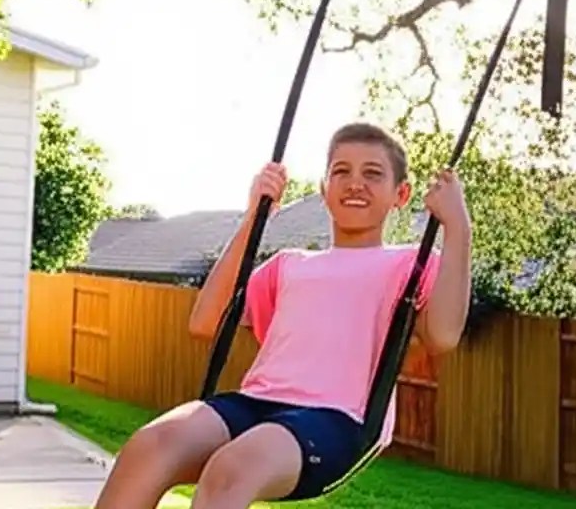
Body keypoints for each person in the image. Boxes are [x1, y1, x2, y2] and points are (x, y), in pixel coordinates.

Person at [93, 122, 473, 509]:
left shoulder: (410, 264)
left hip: (338, 418)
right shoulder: (288, 264)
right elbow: (206, 321)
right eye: (341, 171)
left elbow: (443, 335)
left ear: (401, 194)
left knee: (233, 467)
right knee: (148, 447)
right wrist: (253, 218)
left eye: (372, 173)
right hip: (255, 402)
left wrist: (458, 225)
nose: (355, 183)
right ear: (324, 188)